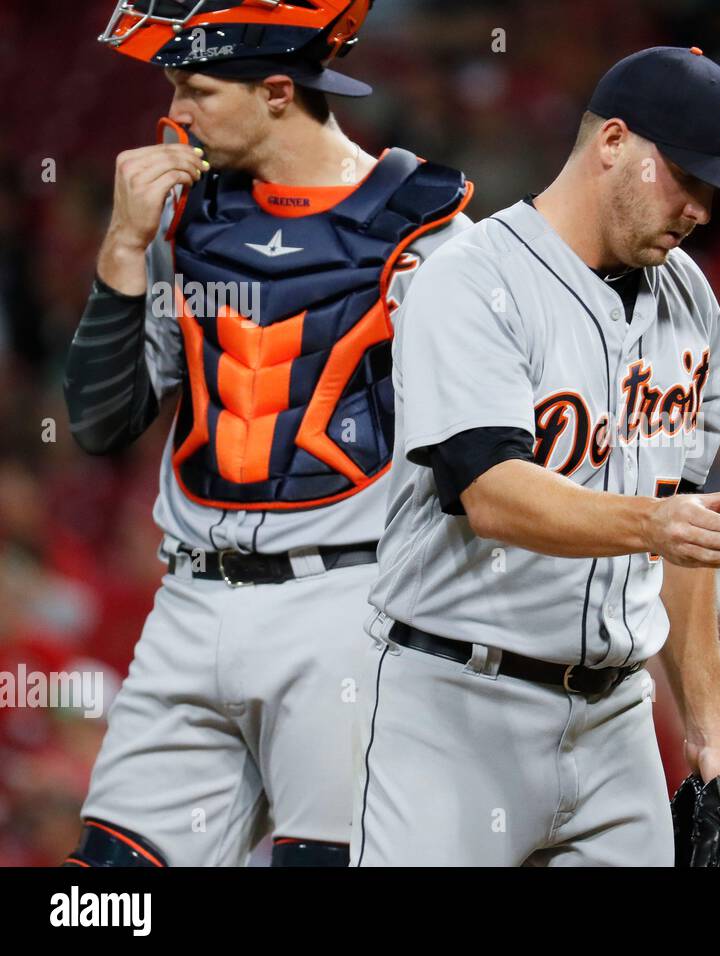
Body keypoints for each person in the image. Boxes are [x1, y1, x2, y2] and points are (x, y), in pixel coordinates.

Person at [61, 0, 472, 867]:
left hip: (348, 606)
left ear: (279, 91)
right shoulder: (181, 218)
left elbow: (480, 457)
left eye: (198, 88)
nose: (176, 113)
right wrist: (123, 249)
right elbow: (100, 423)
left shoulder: (431, 235)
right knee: (101, 889)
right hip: (190, 601)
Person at [353, 46, 720, 866]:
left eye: (713, 189)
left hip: (617, 720)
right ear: (612, 141)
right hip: (454, 706)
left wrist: (715, 744)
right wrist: (660, 524)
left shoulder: (693, 300)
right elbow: (494, 495)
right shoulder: (471, 279)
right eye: (685, 176)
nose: (700, 209)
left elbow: (680, 546)